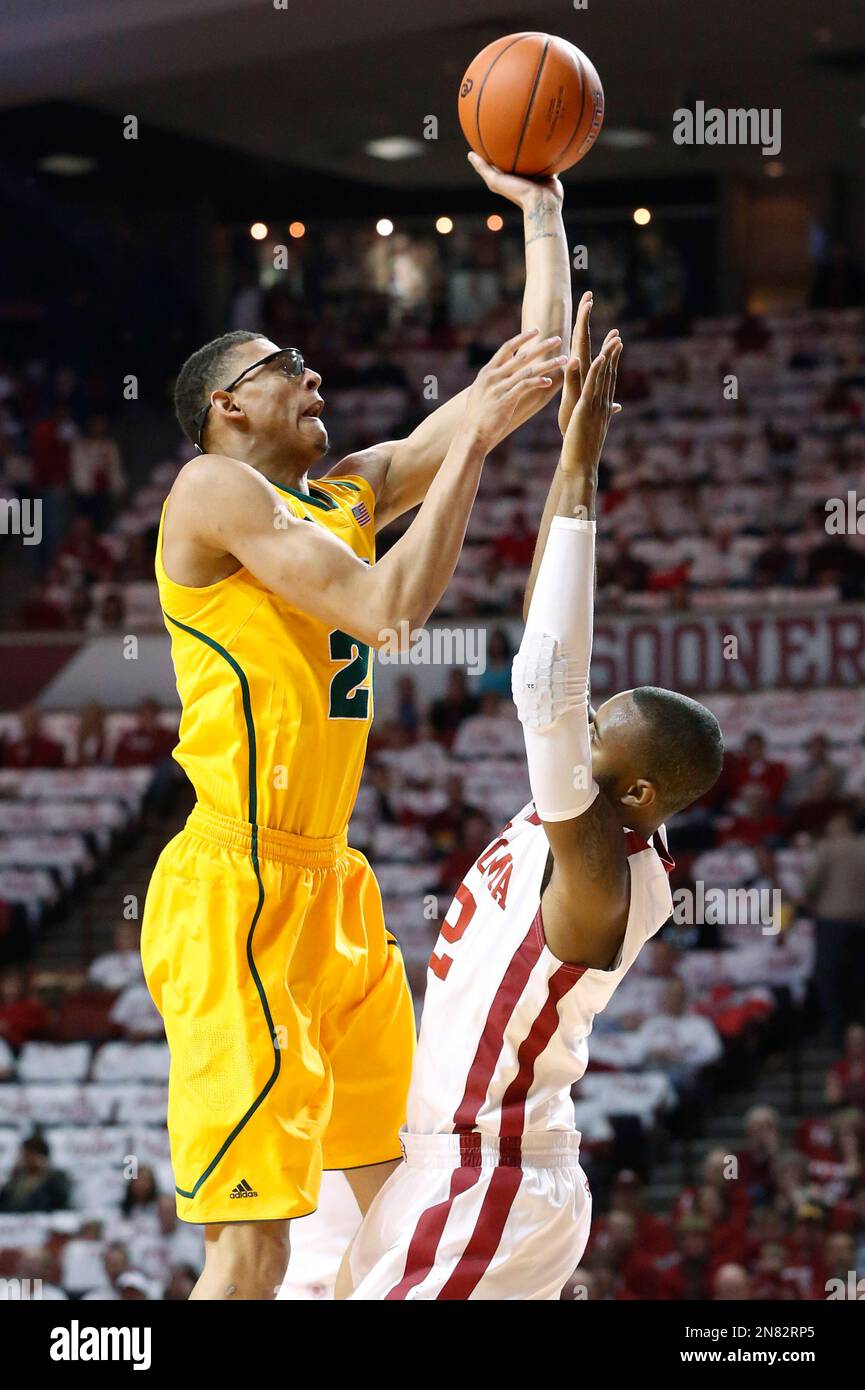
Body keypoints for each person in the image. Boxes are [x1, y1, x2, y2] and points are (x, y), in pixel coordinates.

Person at [142, 155, 572, 1300]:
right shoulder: (208, 491)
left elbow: (520, 384)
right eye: (283, 365)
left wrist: (542, 211)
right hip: (236, 888)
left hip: (331, 882)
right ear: (226, 406)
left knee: (410, 1192)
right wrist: (468, 450)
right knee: (255, 1237)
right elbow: (389, 610)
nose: (312, 370)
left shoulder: (341, 493)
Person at [340, 297, 724, 1300]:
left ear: (635, 786)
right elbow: (546, 666)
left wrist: (582, 468)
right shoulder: (591, 815)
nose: (579, 728)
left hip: (492, 1174)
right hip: (451, 1163)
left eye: (601, 732)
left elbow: (542, 682)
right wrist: (563, 467)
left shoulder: (604, 874)